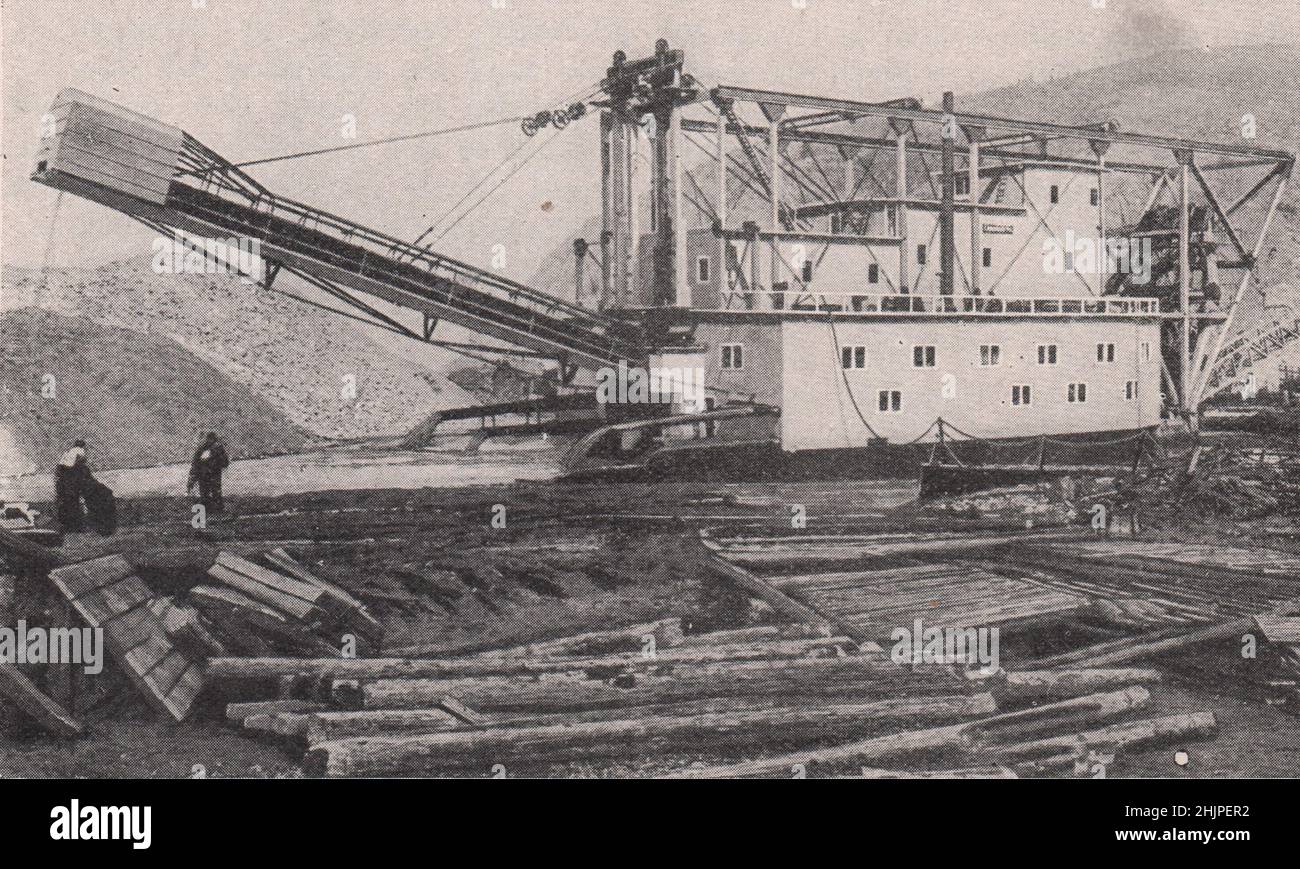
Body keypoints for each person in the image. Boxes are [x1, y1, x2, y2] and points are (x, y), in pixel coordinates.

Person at [188, 432, 230, 514]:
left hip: (204, 474)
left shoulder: (201, 448)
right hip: (213, 474)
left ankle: (209, 510)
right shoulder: (218, 448)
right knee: (215, 492)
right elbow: (225, 462)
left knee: (206, 493)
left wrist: (192, 478)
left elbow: (195, 464)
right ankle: (217, 510)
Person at [54, 439, 90, 530]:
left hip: (62, 477)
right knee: (74, 500)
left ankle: (65, 523)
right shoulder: (80, 451)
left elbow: (59, 469)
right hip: (70, 475)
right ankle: (76, 525)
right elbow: (79, 465)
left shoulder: (67, 452)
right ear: (82, 446)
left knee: (65, 500)